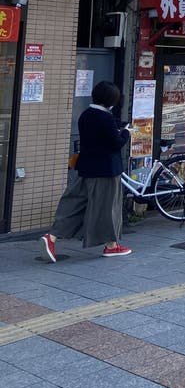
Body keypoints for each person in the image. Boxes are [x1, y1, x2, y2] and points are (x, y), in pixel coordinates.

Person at [40, 81, 132, 262]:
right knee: (108, 208)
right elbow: (116, 143)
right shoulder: (105, 118)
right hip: (106, 171)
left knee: (75, 204)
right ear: (111, 100)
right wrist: (126, 132)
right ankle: (111, 246)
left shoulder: (86, 115)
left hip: (86, 168)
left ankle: (51, 237)